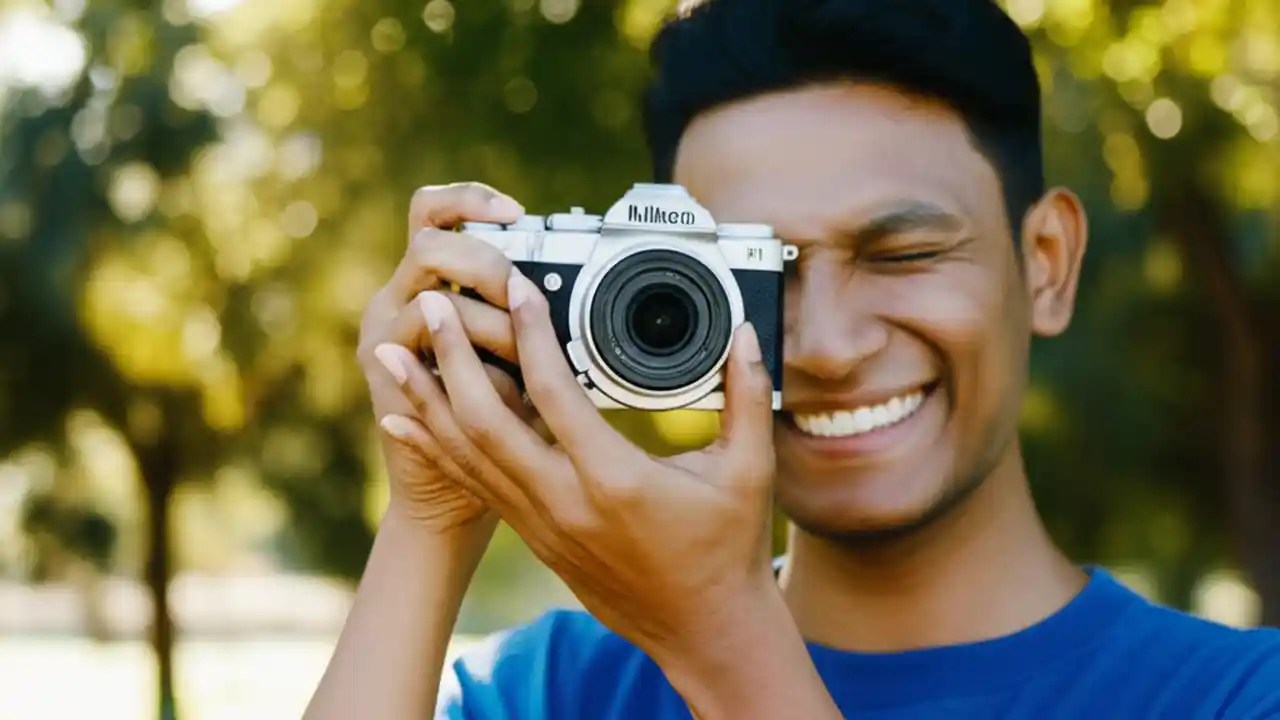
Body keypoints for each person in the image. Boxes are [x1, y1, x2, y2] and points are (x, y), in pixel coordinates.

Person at [305, 1, 1280, 718]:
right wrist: (433, 509)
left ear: (1046, 266)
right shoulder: (558, 691)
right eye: (751, 282)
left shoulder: (1234, 698)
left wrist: (727, 645)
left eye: (900, 255)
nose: (823, 347)